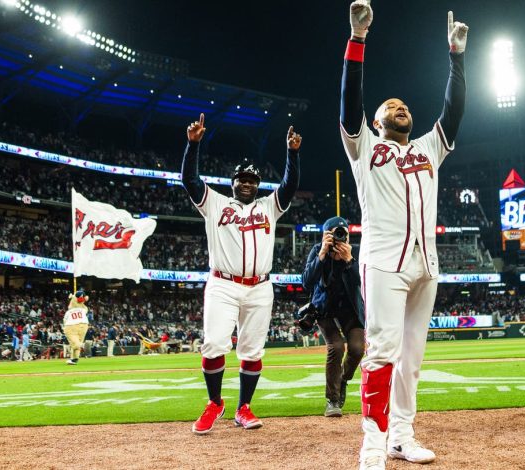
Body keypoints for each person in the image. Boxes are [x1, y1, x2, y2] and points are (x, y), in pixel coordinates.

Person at [340, 2, 468, 468]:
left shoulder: (427, 148)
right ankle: (372, 443)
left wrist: (456, 58)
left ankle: (401, 436)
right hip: (385, 261)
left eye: (405, 106)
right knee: (383, 351)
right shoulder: (364, 147)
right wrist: (358, 37)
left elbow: (452, 112)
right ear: (376, 122)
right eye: (391, 107)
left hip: (426, 263)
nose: (401, 108)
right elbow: (350, 101)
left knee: (411, 359)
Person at [181, 113, 301, 434]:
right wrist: (193, 145)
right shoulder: (216, 204)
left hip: (260, 287)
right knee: (215, 344)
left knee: (251, 350)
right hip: (223, 283)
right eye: (242, 179)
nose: (246, 183)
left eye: (252, 180)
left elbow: (290, 186)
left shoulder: (269, 206)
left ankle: (243, 408)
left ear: (257, 185)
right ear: (233, 183)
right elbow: (190, 181)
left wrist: (292, 154)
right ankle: (215, 402)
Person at [301, 216, 365, 418]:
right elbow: (306, 282)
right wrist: (321, 254)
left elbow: (362, 282)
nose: (339, 239)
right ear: (325, 236)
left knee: (357, 348)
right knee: (336, 347)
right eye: (334, 234)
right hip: (325, 309)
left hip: (350, 309)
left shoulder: (354, 253)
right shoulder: (317, 251)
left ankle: (343, 379)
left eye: (342, 234)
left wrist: (350, 261)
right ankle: (333, 400)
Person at [62, 290, 90, 365]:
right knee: (75, 345)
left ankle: (83, 345)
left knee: (76, 344)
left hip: (73, 326)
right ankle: (74, 359)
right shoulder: (82, 309)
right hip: (82, 325)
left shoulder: (71, 311)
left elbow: (64, 320)